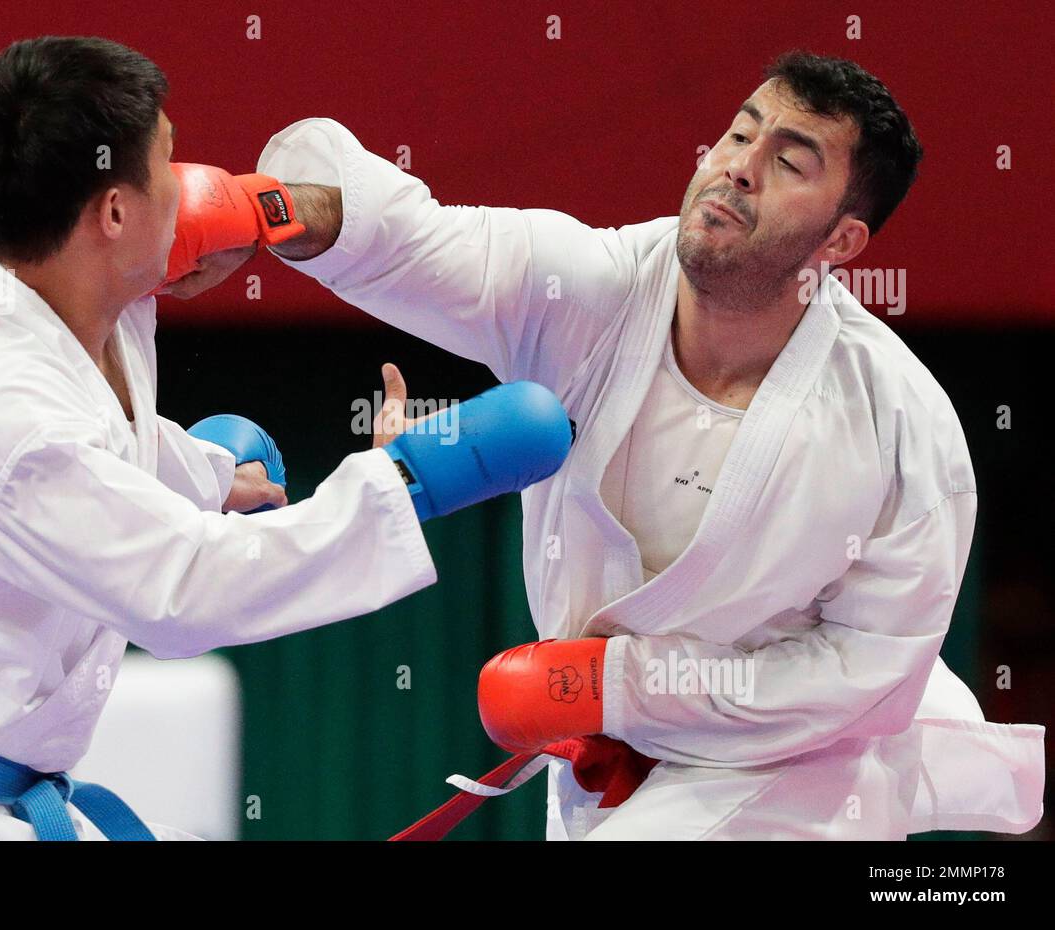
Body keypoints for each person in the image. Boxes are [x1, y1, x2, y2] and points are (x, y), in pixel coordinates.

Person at [0, 36, 570, 841]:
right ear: (113, 210)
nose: (186, 190)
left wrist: (208, 472)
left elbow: (94, 454)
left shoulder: (83, 300)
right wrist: (404, 481)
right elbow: (185, 591)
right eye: (165, 166)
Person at [254, 50, 1045, 839]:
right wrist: (254, 210)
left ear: (841, 242)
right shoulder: (590, 293)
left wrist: (620, 685)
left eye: (789, 161)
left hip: (804, 778)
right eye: (740, 135)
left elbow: (866, 677)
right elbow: (408, 241)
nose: (739, 169)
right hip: (605, 778)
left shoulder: (900, 428)